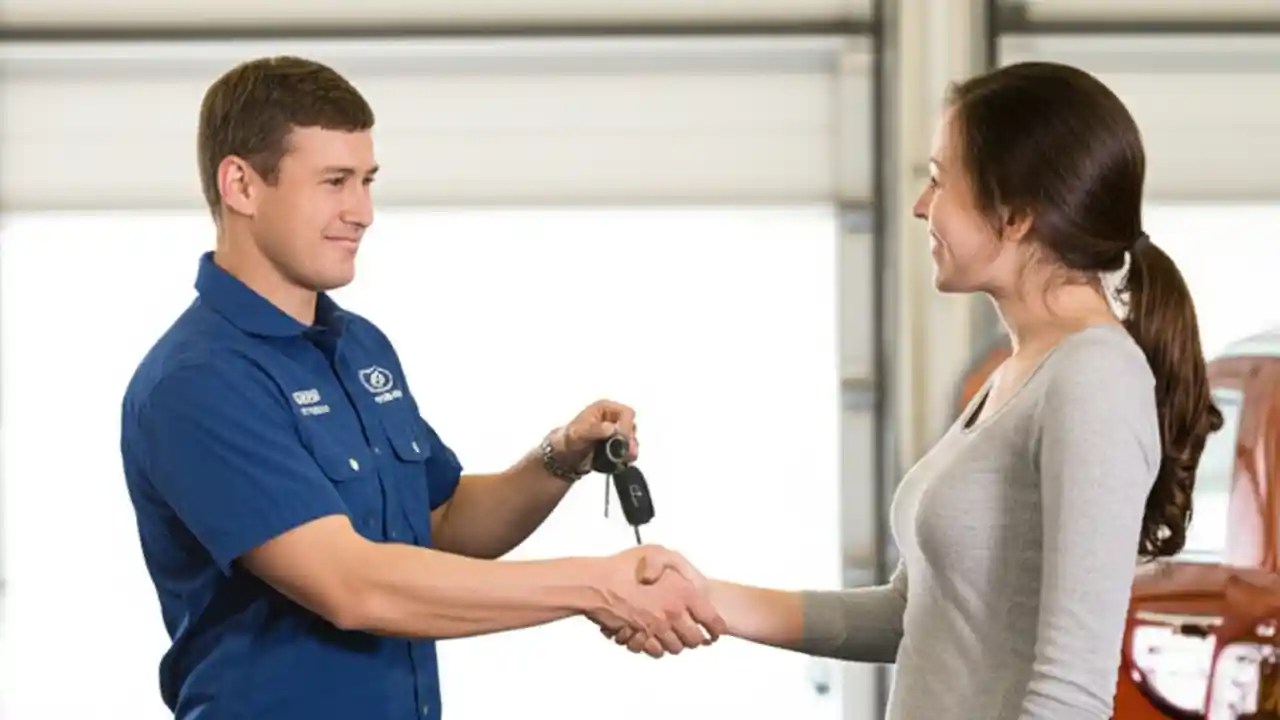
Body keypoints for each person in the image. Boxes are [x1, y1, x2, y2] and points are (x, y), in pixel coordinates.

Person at [607, 62, 1224, 718]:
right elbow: (916, 616)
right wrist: (707, 598)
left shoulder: (1094, 377)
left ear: (1014, 215)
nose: (920, 206)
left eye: (938, 180)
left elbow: (1071, 694)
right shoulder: (1020, 375)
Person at [118, 55, 723, 720]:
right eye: (335, 182)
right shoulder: (197, 384)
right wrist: (595, 586)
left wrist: (560, 457)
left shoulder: (358, 348)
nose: (363, 212)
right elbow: (353, 586)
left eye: (368, 181)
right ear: (241, 184)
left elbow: (440, 523)